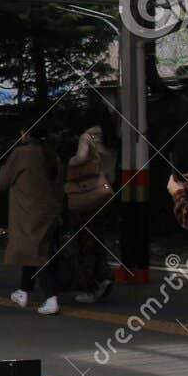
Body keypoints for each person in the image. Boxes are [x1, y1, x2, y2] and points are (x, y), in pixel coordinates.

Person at [0, 125, 63, 315]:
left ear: (27, 133)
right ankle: (23, 291)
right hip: (50, 209)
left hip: (29, 210)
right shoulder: (50, 154)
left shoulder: (22, 153)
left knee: (37, 253)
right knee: (34, 248)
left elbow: (5, 176)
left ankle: (51, 298)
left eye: (22, 131)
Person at [64, 124, 117, 303]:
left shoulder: (88, 136)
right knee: (97, 240)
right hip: (105, 193)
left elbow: (80, 158)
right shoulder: (112, 138)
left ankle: (89, 288)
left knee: (82, 243)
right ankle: (105, 275)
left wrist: (70, 161)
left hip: (87, 196)